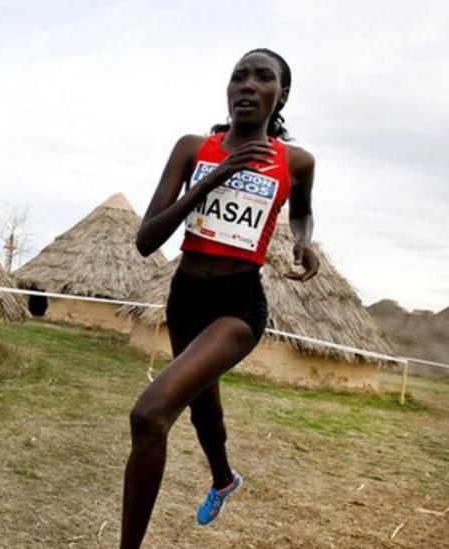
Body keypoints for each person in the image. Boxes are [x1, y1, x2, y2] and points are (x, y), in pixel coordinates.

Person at [120, 48, 320, 548]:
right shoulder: (193, 148)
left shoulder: (296, 161)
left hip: (238, 305)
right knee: (202, 409)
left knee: (149, 415)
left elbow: (301, 212)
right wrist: (213, 178)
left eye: (262, 77)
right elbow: (146, 240)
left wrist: (302, 240)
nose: (247, 85)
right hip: (185, 297)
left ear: (281, 95)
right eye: (238, 76)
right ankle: (224, 479)